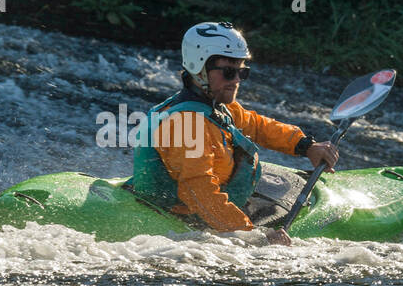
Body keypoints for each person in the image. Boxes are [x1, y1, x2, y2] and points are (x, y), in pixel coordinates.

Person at [129, 22, 338, 245]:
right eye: (229, 72)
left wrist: (306, 146)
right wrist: (254, 237)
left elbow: (257, 126)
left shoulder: (215, 106)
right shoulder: (186, 125)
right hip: (186, 214)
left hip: (211, 201)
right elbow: (200, 194)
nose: (237, 80)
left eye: (242, 71)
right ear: (199, 69)